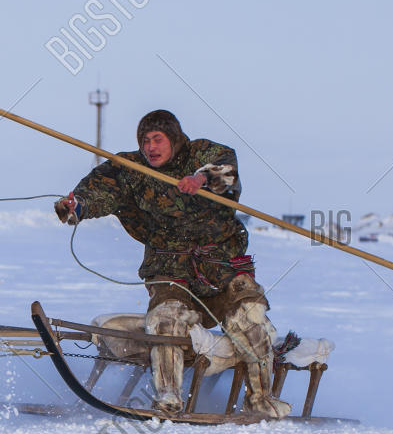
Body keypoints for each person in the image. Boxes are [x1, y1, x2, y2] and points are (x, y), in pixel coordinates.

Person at [54, 109, 290, 417]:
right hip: (168, 268)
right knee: (166, 321)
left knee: (250, 318)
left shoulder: (201, 153)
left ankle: (261, 401)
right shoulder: (131, 168)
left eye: (157, 139)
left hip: (221, 266)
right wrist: (77, 206)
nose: (150, 147)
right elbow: (100, 190)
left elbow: (226, 170)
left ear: (174, 138)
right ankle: (167, 399)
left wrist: (201, 178)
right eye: (144, 140)